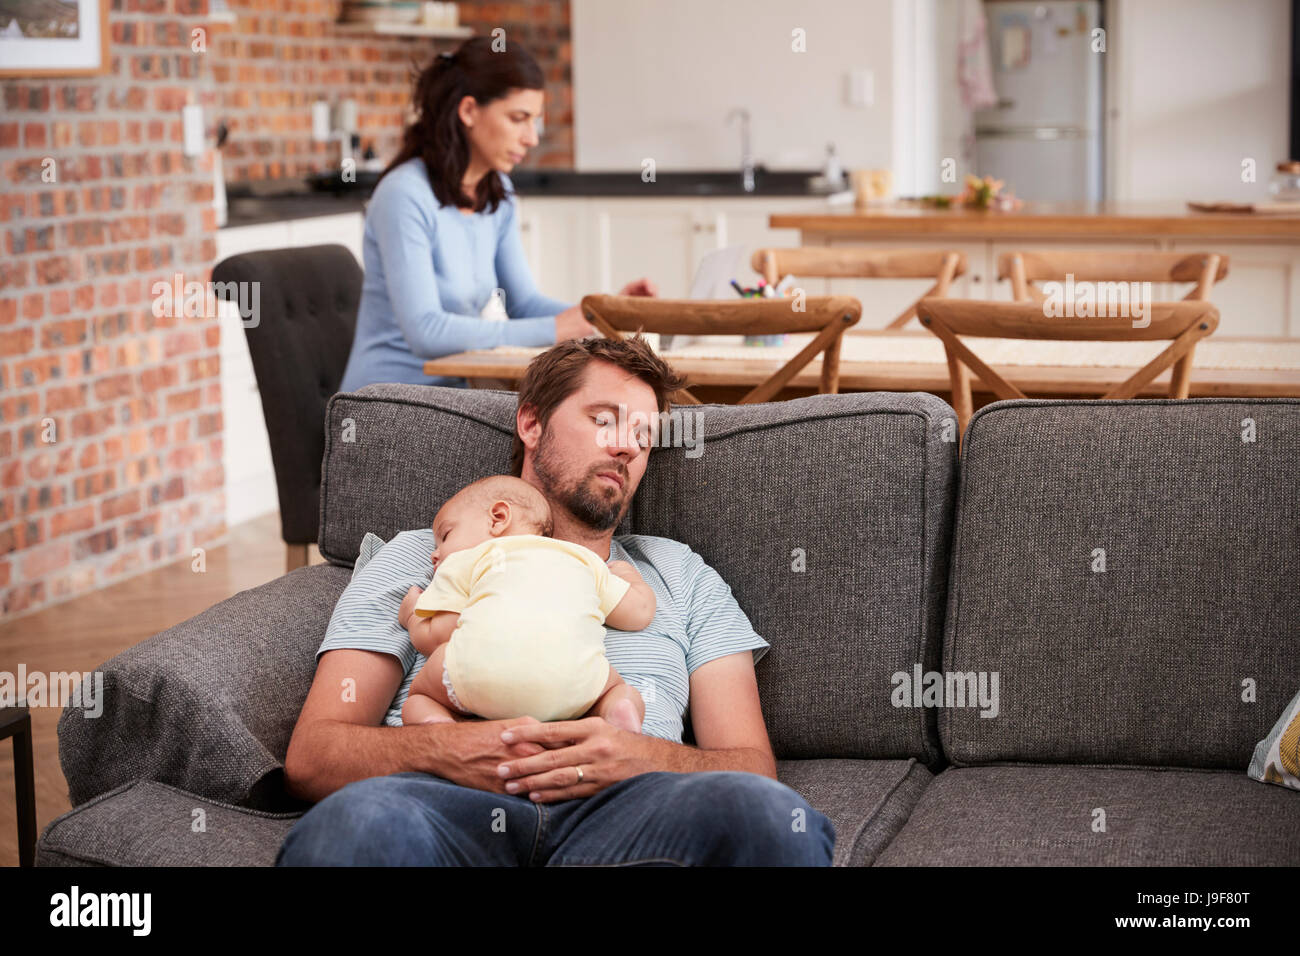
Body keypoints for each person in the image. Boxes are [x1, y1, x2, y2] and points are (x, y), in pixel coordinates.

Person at [277, 335, 836, 866]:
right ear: (532, 423)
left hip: (626, 811)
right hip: (441, 803)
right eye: (603, 420)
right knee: (346, 831)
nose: (626, 446)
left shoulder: (679, 574)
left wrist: (638, 758)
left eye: (643, 436)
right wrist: (448, 748)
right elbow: (314, 756)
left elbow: (750, 768)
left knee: (768, 817)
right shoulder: (426, 556)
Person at [339, 37, 655, 393]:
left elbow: (523, 303)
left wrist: (603, 314)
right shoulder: (404, 194)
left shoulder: (497, 192)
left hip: (457, 389)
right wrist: (556, 329)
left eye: (535, 121)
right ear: (469, 111)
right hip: (388, 401)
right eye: (518, 119)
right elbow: (425, 331)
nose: (531, 138)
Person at [396, 474, 651, 731]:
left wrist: (411, 617)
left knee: (419, 697)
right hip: (572, 687)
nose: (434, 553)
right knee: (616, 689)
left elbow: (438, 635)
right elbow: (638, 613)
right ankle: (617, 710)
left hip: (479, 680)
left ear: (498, 518)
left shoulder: (466, 560)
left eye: (446, 535)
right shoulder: (584, 560)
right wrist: (628, 575)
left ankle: (438, 724)